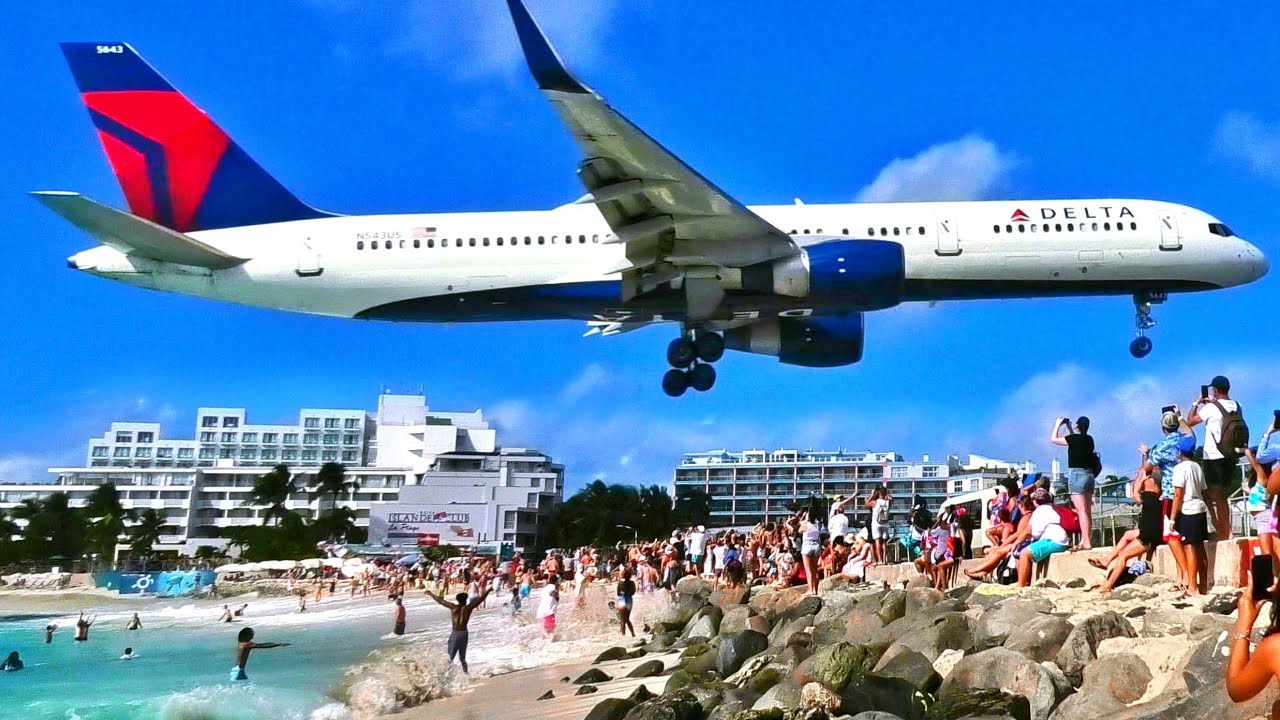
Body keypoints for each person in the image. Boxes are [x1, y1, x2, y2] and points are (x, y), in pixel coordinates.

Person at [1187, 375, 1240, 540]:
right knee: (1221, 496)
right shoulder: (1237, 406)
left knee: (1212, 495)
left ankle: (1224, 532)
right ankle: (1225, 530)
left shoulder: (1210, 408)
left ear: (1215, 390)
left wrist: (1197, 403)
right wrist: (1213, 403)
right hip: (1230, 456)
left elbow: (1190, 421)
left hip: (1213, 457)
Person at [1170, 436, 1210, 595]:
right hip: (1200, 508)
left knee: (1190, 547)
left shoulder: (1180, 468)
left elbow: (1178, 494)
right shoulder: (1197, 467)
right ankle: (1204, 584)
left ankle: (1192, 586)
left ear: (1180, 451)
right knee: (1200, 547)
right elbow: (1203, 490)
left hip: (1188, 509)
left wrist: (1173, 518)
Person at [1050, 416, 1096, 550]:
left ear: (1078, 426)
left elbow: (1054, 439)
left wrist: (1058, 424)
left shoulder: (1073, 439)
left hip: (1077, 475)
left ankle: (1086, 542)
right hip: (1089, 475)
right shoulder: (1089, 439)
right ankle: (1085, 539)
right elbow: (1075, 440)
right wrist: (1069, 427)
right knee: (1087, 511)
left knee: (1081, 511)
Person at [426, 583, 493, 673]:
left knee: (450, 658)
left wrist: (431, 594)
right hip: (464, 633)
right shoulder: (468, 608)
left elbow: (441, 601)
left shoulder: (453, 607)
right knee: (462, 658)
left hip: (456, 633)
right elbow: (481, 599)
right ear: (465, 600)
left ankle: (448, 675)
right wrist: (488, 591)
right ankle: (466, 674)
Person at [1017, 489, 1071, 587]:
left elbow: (1032, 532)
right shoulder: (1053, 509)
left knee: (1024, 554)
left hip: (1054, 541)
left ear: (1035, 500)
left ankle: (1021, 586)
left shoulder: (1039, 511)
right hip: (1061, 540)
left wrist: (1016, 543)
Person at [798, 509, 822, 596]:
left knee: (808, 569)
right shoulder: (818, 525)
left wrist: (804, 519)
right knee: (815, 569)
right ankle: (816, 589)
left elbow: (799, 531)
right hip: (816, 545)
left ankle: (810, 589)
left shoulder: (805, 525)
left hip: (807, 545)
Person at [866, 487, 891, 565]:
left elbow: (867, 503)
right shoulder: (888, 502)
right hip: (885, 523)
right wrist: (887, 495)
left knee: (877, 542)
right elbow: (891, 497)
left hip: (876, 523)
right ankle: (884, 560)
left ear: (879, 493)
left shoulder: (875, 502)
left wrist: (872, 494)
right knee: (884, 542)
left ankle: (879, 560)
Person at [616, 567, 637, 637]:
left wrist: (623, 593)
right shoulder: (632, 583)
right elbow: (633, 592)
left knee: (622, 619)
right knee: (627, 619)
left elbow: (618, 593)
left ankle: (623, 635)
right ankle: (633, 634)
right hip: (629, 600)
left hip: (621, 600)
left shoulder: (620, 583)